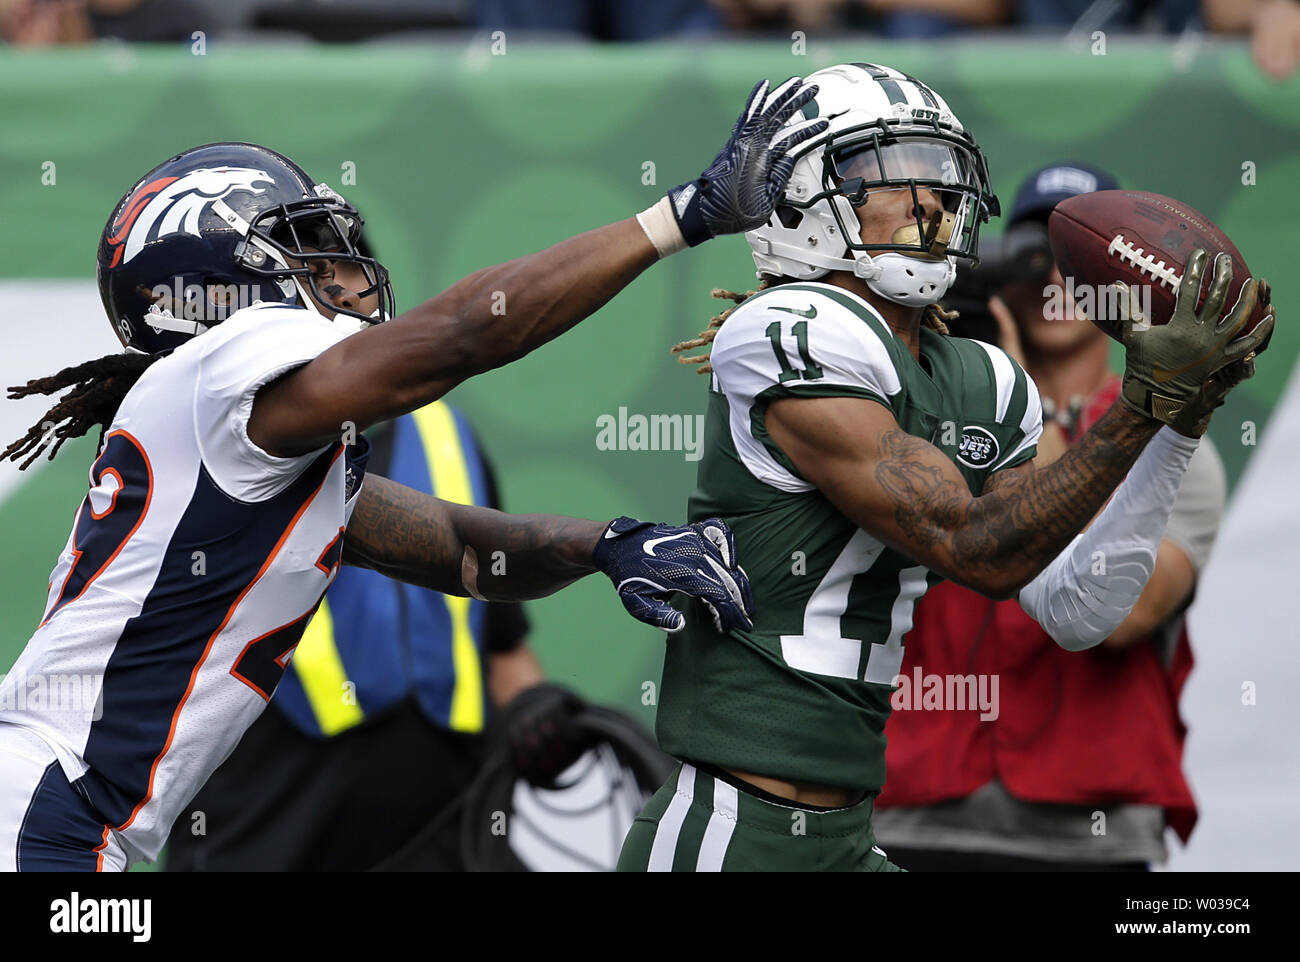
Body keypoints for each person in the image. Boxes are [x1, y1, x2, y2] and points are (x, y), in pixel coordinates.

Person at [0, 77, 827, 871]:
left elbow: (462, 551)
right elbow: (469, 335)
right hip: (46, 816)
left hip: (60, 814)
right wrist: (678, 217)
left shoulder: (238, 447)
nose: (349, 278)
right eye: (313, 258)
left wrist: (608, 545)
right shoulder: (217, 373)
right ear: (214, 289)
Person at [617, 62, 1273, 872]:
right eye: (884, 172)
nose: (927, 196)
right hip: (736, 827)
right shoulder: (786, 329)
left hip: (852, 835)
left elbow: (1078, 606)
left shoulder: (982, 380)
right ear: (803, 200)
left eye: (936, 171)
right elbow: (973, 546)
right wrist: (1141, 403)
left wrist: (1179, 421)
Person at [873, 163, 1227, 870]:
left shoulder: (1178, 443)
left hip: (1088, 837)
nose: (1056, 283)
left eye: (1081, 262)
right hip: (911, 821)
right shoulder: (920, 419)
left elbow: (1121, 614)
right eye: (1035, 260)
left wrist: (1012, 394)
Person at [164, 402, 554, 871]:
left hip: (445, 828)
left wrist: (537, 711)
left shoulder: (447, 433)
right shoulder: (221, 437)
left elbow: (502, 647)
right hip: (266, 829)